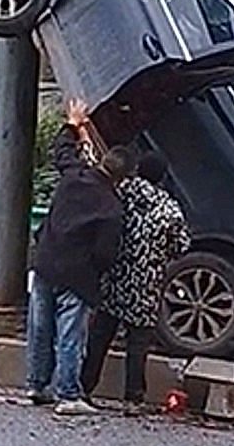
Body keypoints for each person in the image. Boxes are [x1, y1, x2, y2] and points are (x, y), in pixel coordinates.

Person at [26, 99, 135, 416]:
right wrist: (96, 276)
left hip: (45, 262)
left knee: (39, 327)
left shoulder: (74, 175)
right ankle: (68, 394)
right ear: (124, 177)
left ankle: (36, 384)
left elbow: (61, 151)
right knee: (70, 335)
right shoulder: (112, 208)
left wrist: (74, 124)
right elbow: (106, 254)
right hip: (78, 276)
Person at [80, 150, 191, 409]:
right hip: (146, 285)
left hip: (114, 278)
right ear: (162, 177)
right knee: (138, 344)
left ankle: (84, 387)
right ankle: (133, 398)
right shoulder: (168, 208)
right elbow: (181, 246)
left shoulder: (120, 193)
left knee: (99, 337)